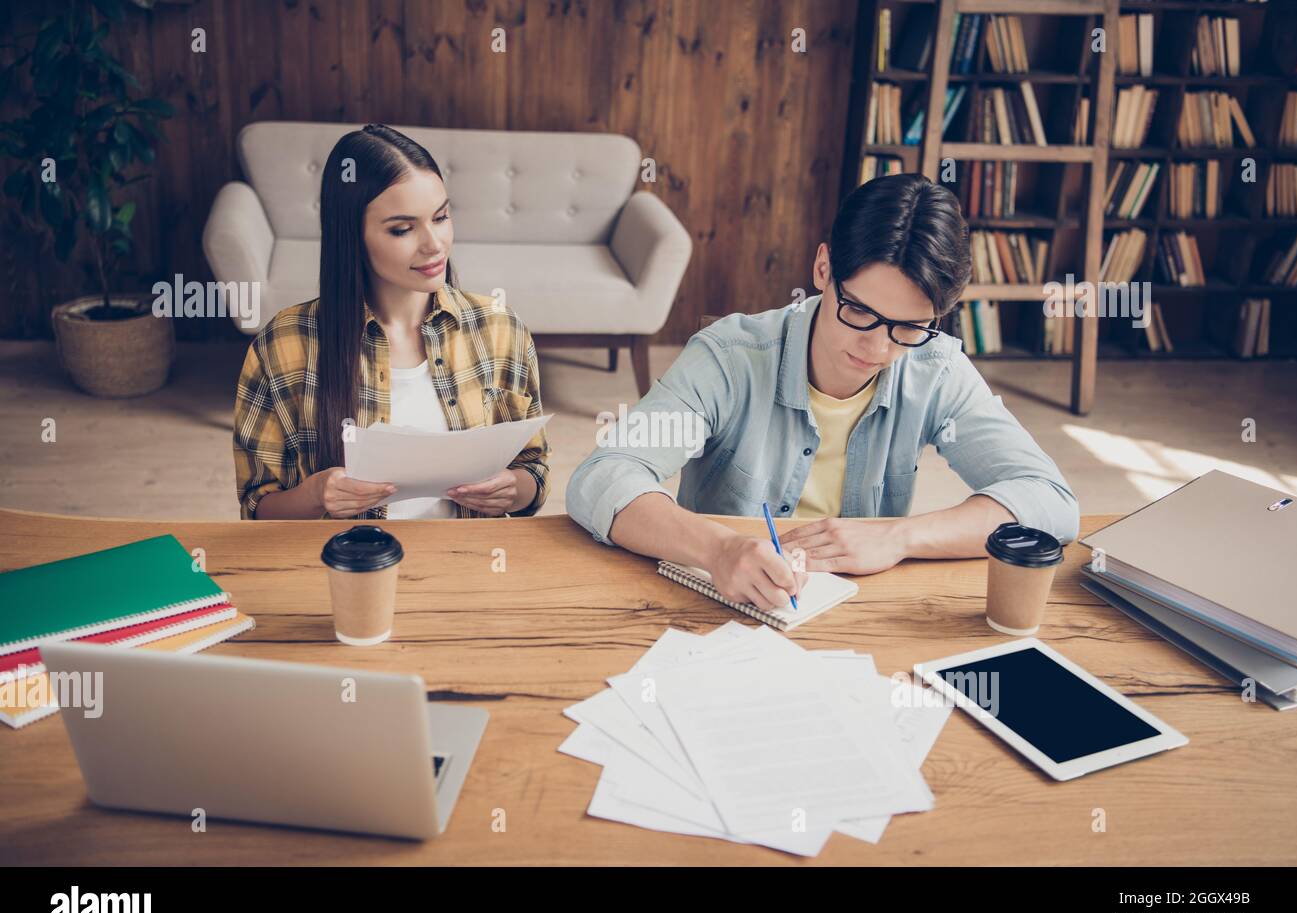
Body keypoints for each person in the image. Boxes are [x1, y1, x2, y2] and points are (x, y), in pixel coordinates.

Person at [566, 173, 1078, 610]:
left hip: (862, 613)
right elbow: (603, 476)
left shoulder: (935, 367)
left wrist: (900, 536)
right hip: (728, 608)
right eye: (859, 311)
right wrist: (720, 549)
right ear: (823, 268)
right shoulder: (730, 357)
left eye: (909, 326)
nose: (878, 347)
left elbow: (1049, 501)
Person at [234, 123, 549, 520]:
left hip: (467, 569)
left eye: (441, 217)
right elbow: (256, 508)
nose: (434, 245)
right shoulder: (282, 344)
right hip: (348, 572)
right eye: (402, 229)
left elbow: (534, 470)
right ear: (352, 237)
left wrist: (514, 490)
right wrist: (315, 495)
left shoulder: (501, 328)